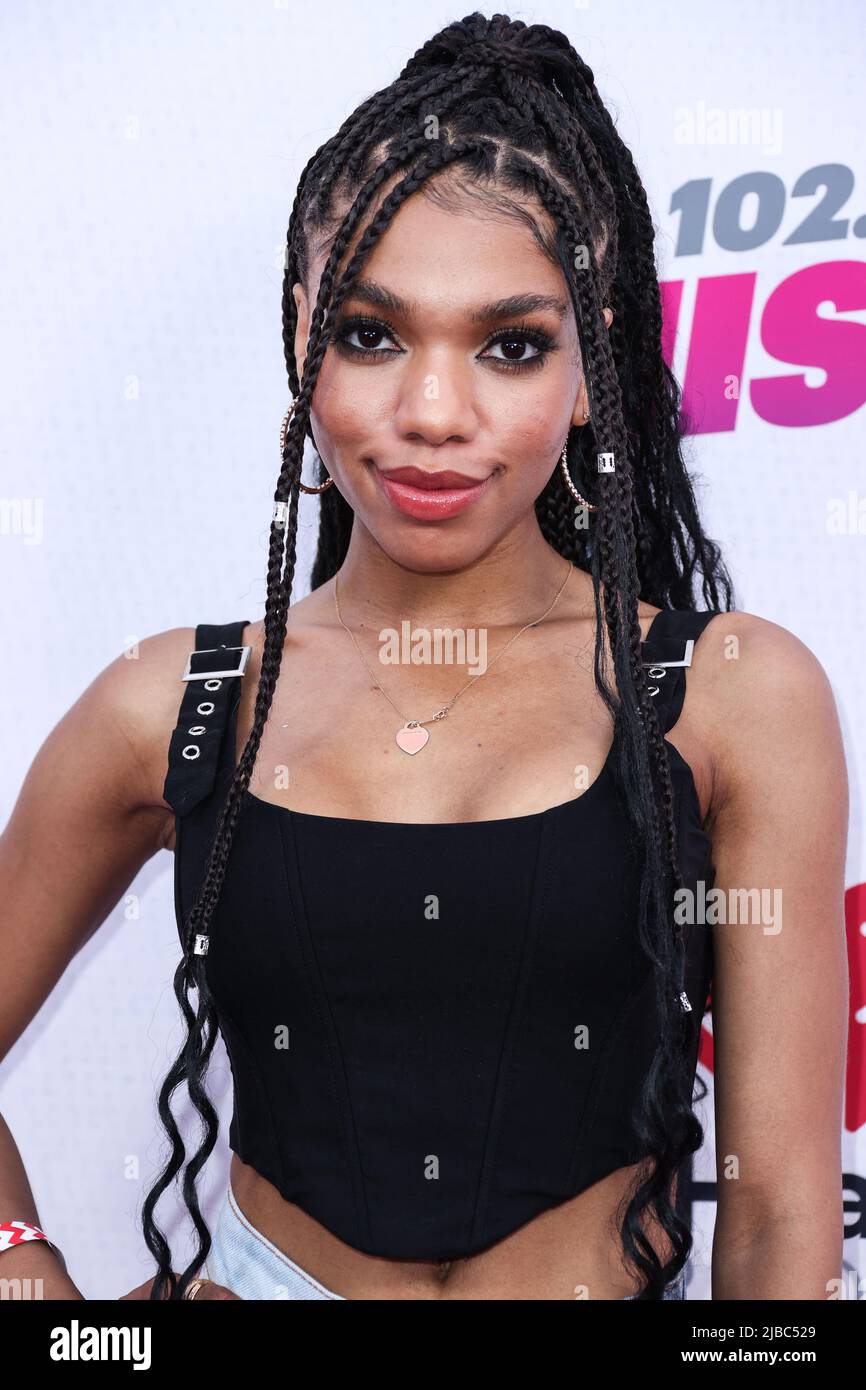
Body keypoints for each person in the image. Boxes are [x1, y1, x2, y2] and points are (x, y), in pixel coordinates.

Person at [0, 13, 848, 1302]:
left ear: (589, 361)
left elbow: (785, 1212)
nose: (434, 413)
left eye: (510, 344)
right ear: (300, 335)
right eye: (370, 333)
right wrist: (45, 1304)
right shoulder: (175, 705)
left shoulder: (734, 697)